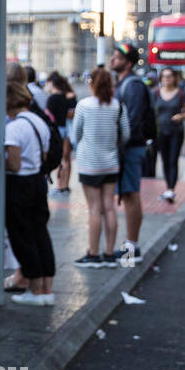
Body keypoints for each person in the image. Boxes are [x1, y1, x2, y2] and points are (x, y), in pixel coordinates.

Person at [71, 67, 130, 267]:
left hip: (89, 164)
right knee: (109, 208)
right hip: (111, 164)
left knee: (94, 209)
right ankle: (110, 253)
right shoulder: (117, 106)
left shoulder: (84, 106)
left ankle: (94, 254)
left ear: (92, 83)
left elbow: (75, 135)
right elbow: (126, 134)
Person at [3, 82, 56, 305]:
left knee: (22, 237)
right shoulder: (39, 122)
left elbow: (14, 165)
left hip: (19, 185)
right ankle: (46, 290)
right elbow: (43, 155)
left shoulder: (14, 127)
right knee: (40, 233)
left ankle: (34, 291)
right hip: (37, 182)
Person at [110, 42, 149, 264]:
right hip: (126, 147)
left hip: (131, 148)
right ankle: (130, 244)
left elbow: (132, 122)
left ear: (128, 62)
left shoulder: (132, 85)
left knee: (131, 194)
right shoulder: (123, 83)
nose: (113, 59)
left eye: (117, 57)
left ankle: (132, 246)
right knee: (127, 194)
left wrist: (120, 145)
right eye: (114, 55)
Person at [152, 67, 185, 202]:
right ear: (161, 79)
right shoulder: (155, 93)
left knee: (173, 159)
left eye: (169, 76)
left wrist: (180, 116)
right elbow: (151, 112)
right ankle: (168, 187)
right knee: (164, 160)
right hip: (161, 132)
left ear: (174, 78)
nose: (167, 79)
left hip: (176, 132)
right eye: (164, 76)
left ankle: (171, 190)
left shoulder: (180, 94)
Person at [44, 71, 78, 196]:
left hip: (56, 131)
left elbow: (49, 116)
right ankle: (65, 186)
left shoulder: (52, 98)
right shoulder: (68, 96)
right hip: (67, 130)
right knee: (67, 158)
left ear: (52, 83)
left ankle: (59, 186)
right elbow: (72, 112)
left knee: (59, 158)